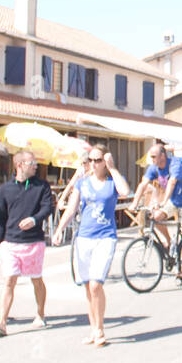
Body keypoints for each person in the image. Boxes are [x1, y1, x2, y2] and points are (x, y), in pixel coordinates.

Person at [53, 146, 129, 347]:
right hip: (84, 237)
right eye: (91, 160)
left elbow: (125, 191)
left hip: (105, 236)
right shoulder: (83, 183)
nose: (94, 164)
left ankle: (100, 328)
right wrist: (60, 229)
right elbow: (71, 209)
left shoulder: (112, 182)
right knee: (88, 286)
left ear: (105, 160)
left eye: (98, 160)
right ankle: (94, 328)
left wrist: (112, 168)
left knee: (96, 284)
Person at [0, 150, 54, 336]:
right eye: (31, 163)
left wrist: (34, 219)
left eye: (35, 163)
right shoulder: (6, 189)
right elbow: (1, 218)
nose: (35, 166)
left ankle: (40, 314)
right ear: (19, 165)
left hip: (34, 241)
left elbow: (47, 208)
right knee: (9, 280)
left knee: (36, 279)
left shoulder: (42, 186)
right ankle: (2, 323)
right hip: (10, 242)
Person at [132, 142, 182, 282]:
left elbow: (172, 182)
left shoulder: (175, 164)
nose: (152, 159)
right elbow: (143, 184)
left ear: (162, 155)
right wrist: (134, 203)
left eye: (154, 156)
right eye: (151, 157)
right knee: (155, 217)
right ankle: (168, 242)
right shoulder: (153, 168)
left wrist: (163, 201)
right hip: (173, 201)